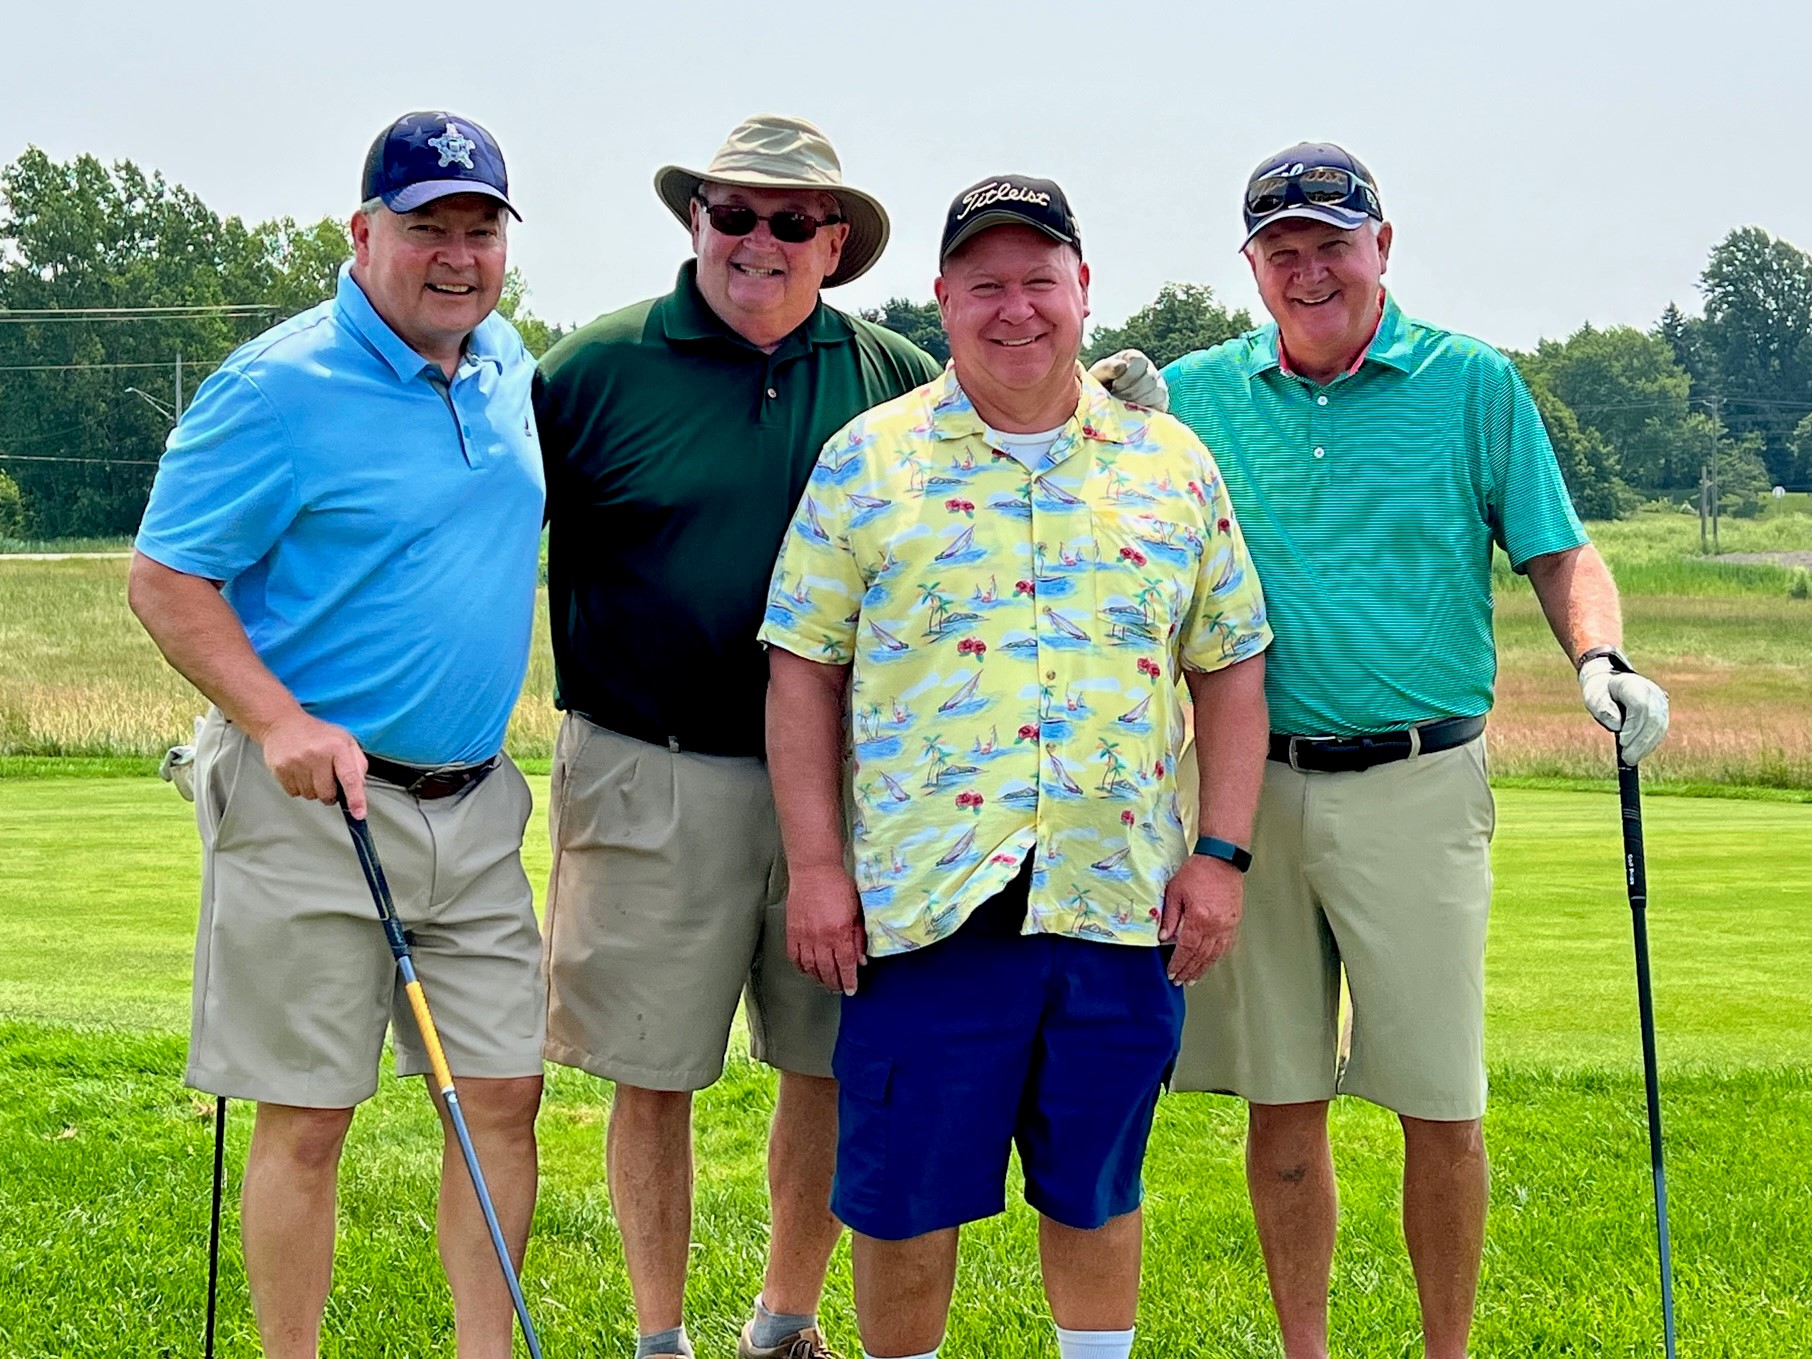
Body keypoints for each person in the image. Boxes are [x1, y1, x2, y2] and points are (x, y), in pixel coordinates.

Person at [533, 119, 1164, 1359]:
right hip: (653, 761)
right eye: (732, 214)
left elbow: (1011, 418)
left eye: (790, 221)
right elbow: (472, 519)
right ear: (696, 221)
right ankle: (660, 1338)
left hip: (857, 785)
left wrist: (1123, 407)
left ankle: (784, 1320)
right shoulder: (595, 369)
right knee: (654, 1068)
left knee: (827, 1055)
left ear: (834, 242)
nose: (757, 241)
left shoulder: (881, 369)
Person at [1162, 142, 1672, 1359]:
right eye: (1282, 251)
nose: (1309, 271)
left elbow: (1558, 550)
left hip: (1420, 780)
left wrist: (1600, 656)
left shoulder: (1473, 383)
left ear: (1381, 247)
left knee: (1442, 1104)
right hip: (1245, 789)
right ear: (1251, 267)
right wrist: (1102, 410)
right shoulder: (1192, 394)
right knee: (1281, 1103)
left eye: (1332, 245)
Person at [759, 175, 1271, 1359]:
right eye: (985, 284)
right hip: (926, 909)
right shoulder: (867, 462)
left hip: (1115, 901)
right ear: (943, 298)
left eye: (1039, 279)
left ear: (1082, 288)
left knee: (1095, 1192)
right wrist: (818, 870)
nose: (1016, 308)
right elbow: (801, 671)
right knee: (905, 1205)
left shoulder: (1169, 464)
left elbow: (1233, 665)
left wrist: (1221, 857)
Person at [128, 111, 545, 1359]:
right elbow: (166, 577)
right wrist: (277, 720)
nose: (457, 256)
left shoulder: (506, 362)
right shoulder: (274, 388)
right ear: (363, 235)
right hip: (313, 807)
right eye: (428, 229)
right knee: (308, 1117)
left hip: (476, 805)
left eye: (480, 229)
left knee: (503, 1097)